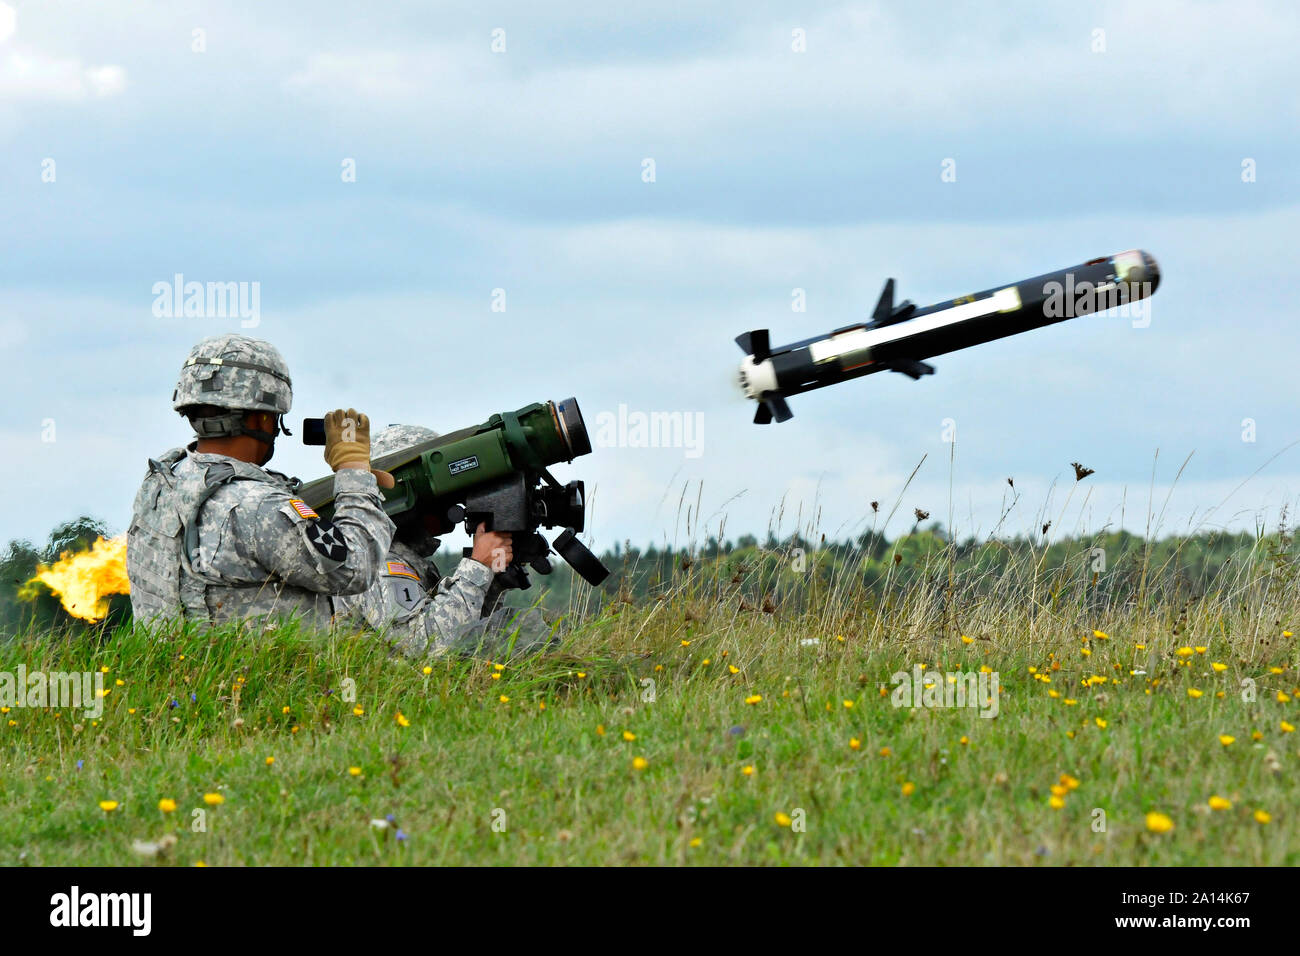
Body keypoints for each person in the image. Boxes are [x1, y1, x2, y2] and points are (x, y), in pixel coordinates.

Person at [126, 333, 399, 627]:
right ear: (263, 419)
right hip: (265, 672)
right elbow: (356, 568)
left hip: (181, 668)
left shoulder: (160, 486)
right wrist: (354, 470)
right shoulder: (260, 507)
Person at [333, 424, 557, 659]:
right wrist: (478, 565)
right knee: (517, 632)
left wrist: (493, 582)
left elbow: (466, 634)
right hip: (385, 691)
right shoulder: (377, 561)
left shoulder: (408, 558)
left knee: (510, 632)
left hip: (414, 688)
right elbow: (426, 645)